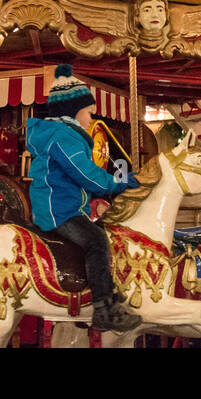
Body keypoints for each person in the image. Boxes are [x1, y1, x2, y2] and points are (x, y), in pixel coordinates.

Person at [27, 64, 141, 332]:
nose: (92, 117)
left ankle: (103, 292)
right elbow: (85, 175)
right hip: (58, 210)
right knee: (96, 241)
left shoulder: (64, 135)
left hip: (64, 205)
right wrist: (118, 183)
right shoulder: (64, 137)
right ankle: (103, 309)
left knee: (103, 232)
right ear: (74, 111)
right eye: (89, 111)